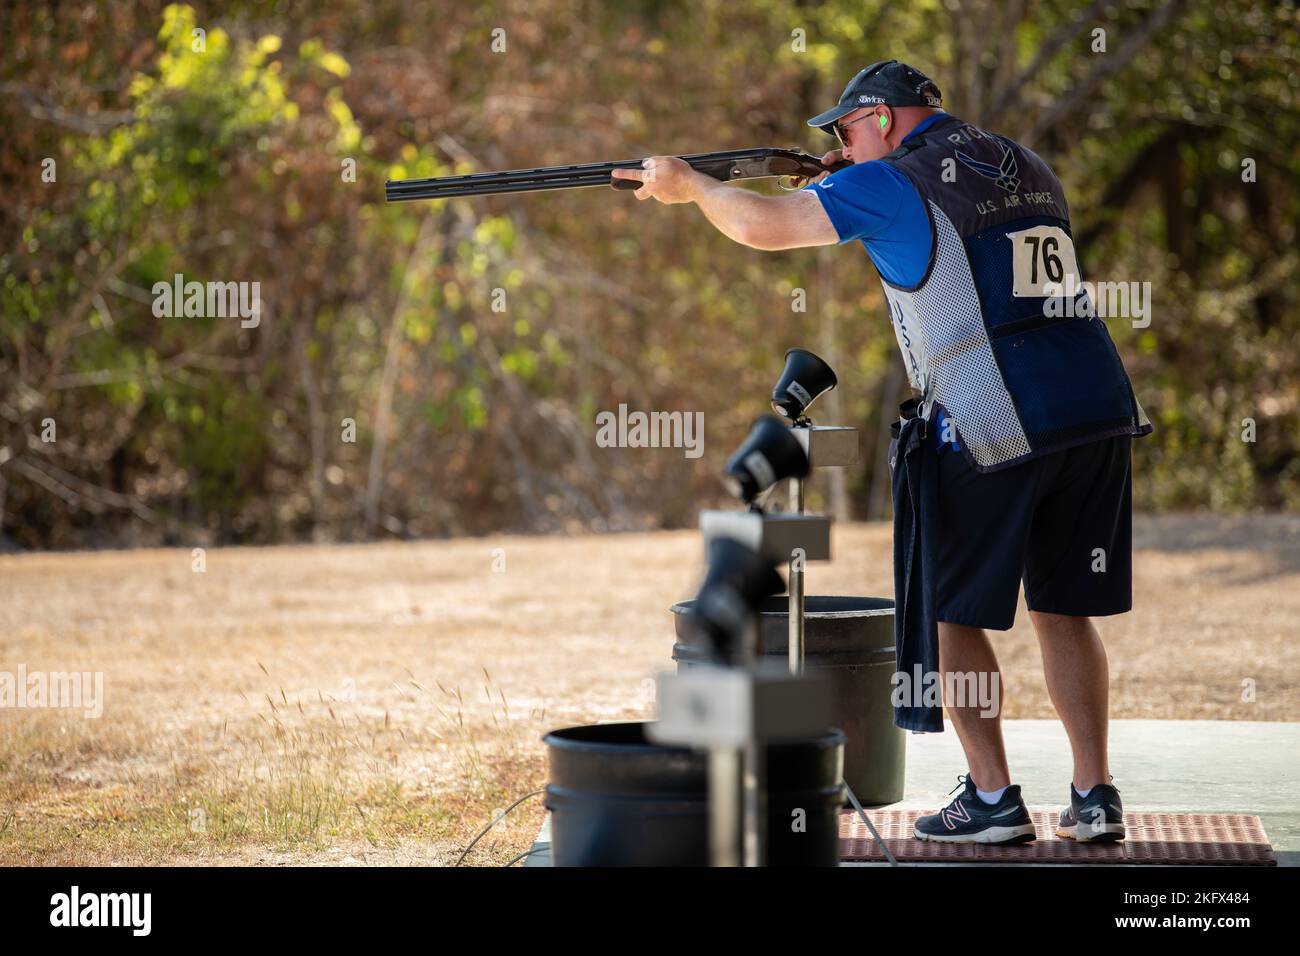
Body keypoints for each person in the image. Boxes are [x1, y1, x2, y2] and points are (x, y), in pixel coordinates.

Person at [612, 60, 1151, 845]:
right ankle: (1094, 794)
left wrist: (689, 185)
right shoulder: (1023, 162)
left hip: (990, 415)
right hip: (1094, 405)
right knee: (1063, 606)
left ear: (885, 120)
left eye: (844, 128)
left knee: (948, 613)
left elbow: (764, 227)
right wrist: (855, 172)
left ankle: (995, 799)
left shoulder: (891, 181)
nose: (838, 141)